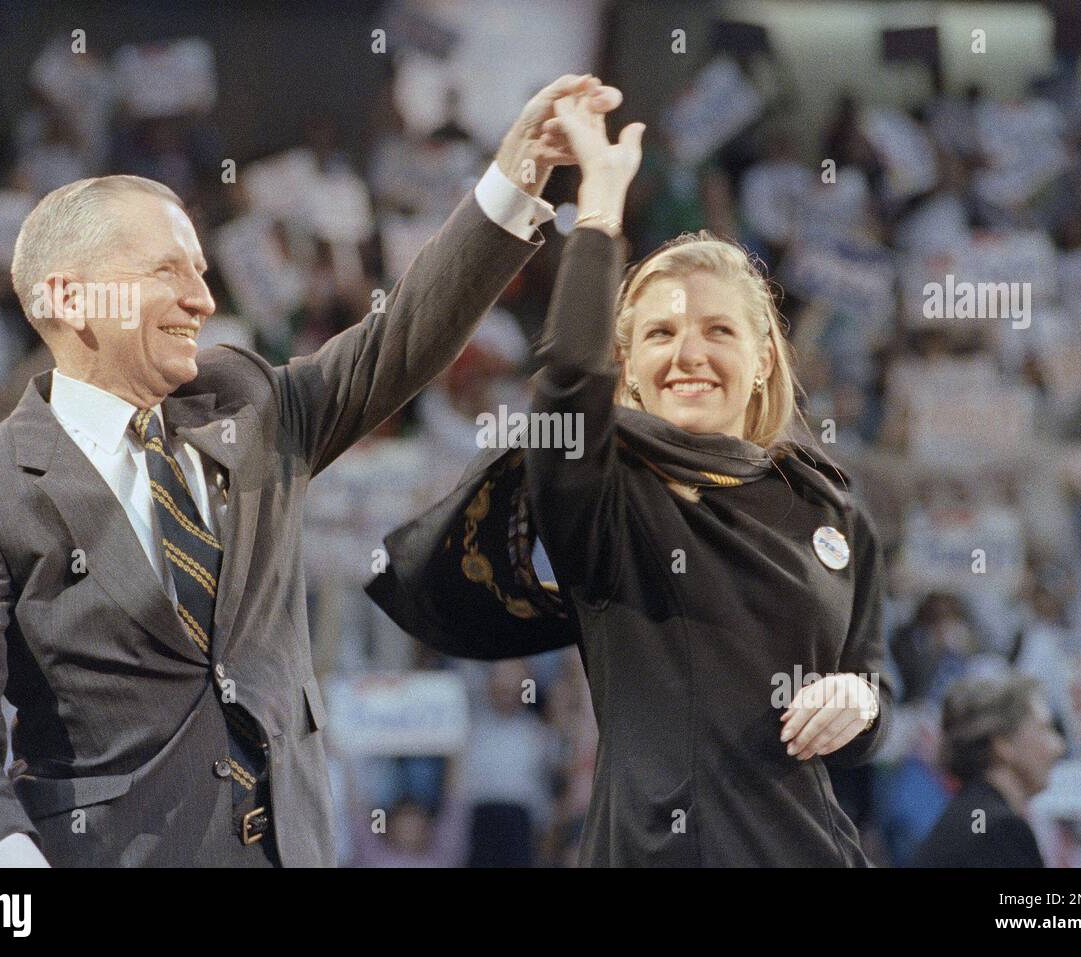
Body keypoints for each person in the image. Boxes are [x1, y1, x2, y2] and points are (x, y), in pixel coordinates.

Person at [0, 74, 624, 868]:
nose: (203, 299)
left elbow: (401, 338)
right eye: (169, 272)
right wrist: (5, 865)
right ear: (70, 296)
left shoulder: (244, 401)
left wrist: (514, 178)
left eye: (203, 271)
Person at [369, 93, 893, 866]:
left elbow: (873, 681)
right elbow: (568, 386)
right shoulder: (608, 496)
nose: (689, 353)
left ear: (762, 363)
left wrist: (861, 699)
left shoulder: (829, 503)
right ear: (631, 373)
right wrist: (600, 208)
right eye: (660, 333)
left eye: (718, 330)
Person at [911, 673, 1064, 867]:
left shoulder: (970, 817)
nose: (1059, 747)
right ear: (1003, 744)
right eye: (1045, 729)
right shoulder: (998, 831)